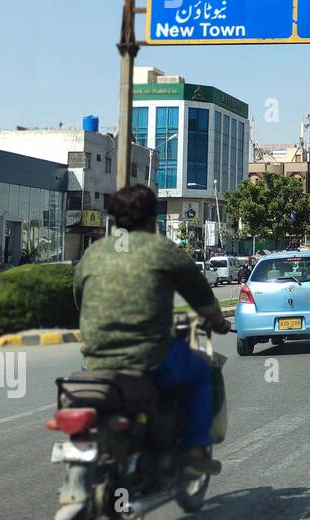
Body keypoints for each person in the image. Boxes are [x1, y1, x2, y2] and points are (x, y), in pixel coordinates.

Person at [74, 185, 230, 476]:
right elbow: (204, 301)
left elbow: (78, 299)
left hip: (94, 359)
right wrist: (220, 324)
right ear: (151, 218)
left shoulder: (94, 253)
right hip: (150, 355)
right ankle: (196, 450)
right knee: (202, 371)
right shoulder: (162, 250)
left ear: (113, 220)